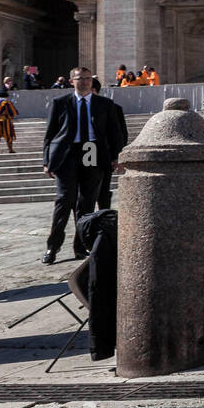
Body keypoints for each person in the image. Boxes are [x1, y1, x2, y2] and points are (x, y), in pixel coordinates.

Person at [41, 68, 127, 264]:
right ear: (72, 81)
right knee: (64, 201)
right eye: (80, 79)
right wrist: (47, 161)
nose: (85, 82)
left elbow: (115, 133)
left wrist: (117, 156)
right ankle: (52, 247)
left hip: (91, 151)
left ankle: (80, 247)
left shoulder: (105, 104)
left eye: (88, 79)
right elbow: (50, 134)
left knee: (86, 204)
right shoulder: (60, 103)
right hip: (68, 153)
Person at [91, 79, 128, 211]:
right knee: (86, 190)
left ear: (94, 90)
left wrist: (117, 156)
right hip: (87, 153)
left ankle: (103, 217)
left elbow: (121, 134)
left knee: (104, 189)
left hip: (105, 154)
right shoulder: (78, 106)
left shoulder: (112, 107)